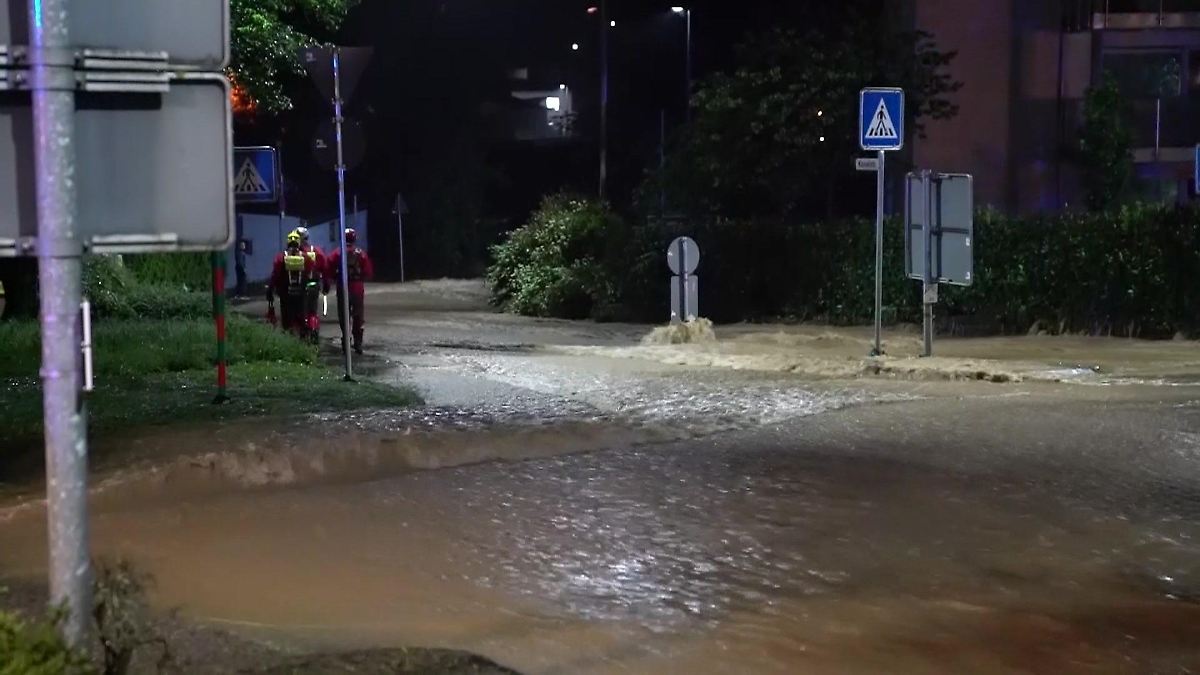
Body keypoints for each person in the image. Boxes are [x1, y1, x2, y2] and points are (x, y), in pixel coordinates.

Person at [326, 228, 374, 354]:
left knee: (344, 315)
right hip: (357, 287)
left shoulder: (337, 253)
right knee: (358, 315)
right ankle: (358, 342)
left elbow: (329, 269)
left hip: (342, 287)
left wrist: (330, 280)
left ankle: (346, 340)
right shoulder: (361, 253)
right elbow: (368, 272)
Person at [268, 232, 318, 339]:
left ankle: (289, 339)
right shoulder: (305, 257)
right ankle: (304, 338)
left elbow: (275, 275)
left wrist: (271, 289)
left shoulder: (281, 257)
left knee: (287, 320)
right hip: (301, 293)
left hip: (286, 294)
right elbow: (311, 270)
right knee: (302, 317)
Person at [295, 226, 328, 343]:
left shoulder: (293, 253)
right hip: (314, 285)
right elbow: (325, 268)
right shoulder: (316, 251)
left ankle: (302, 334)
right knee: (312, 311)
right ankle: (313, 330)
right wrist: (326, 284)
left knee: (299, 312)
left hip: (298, 287)